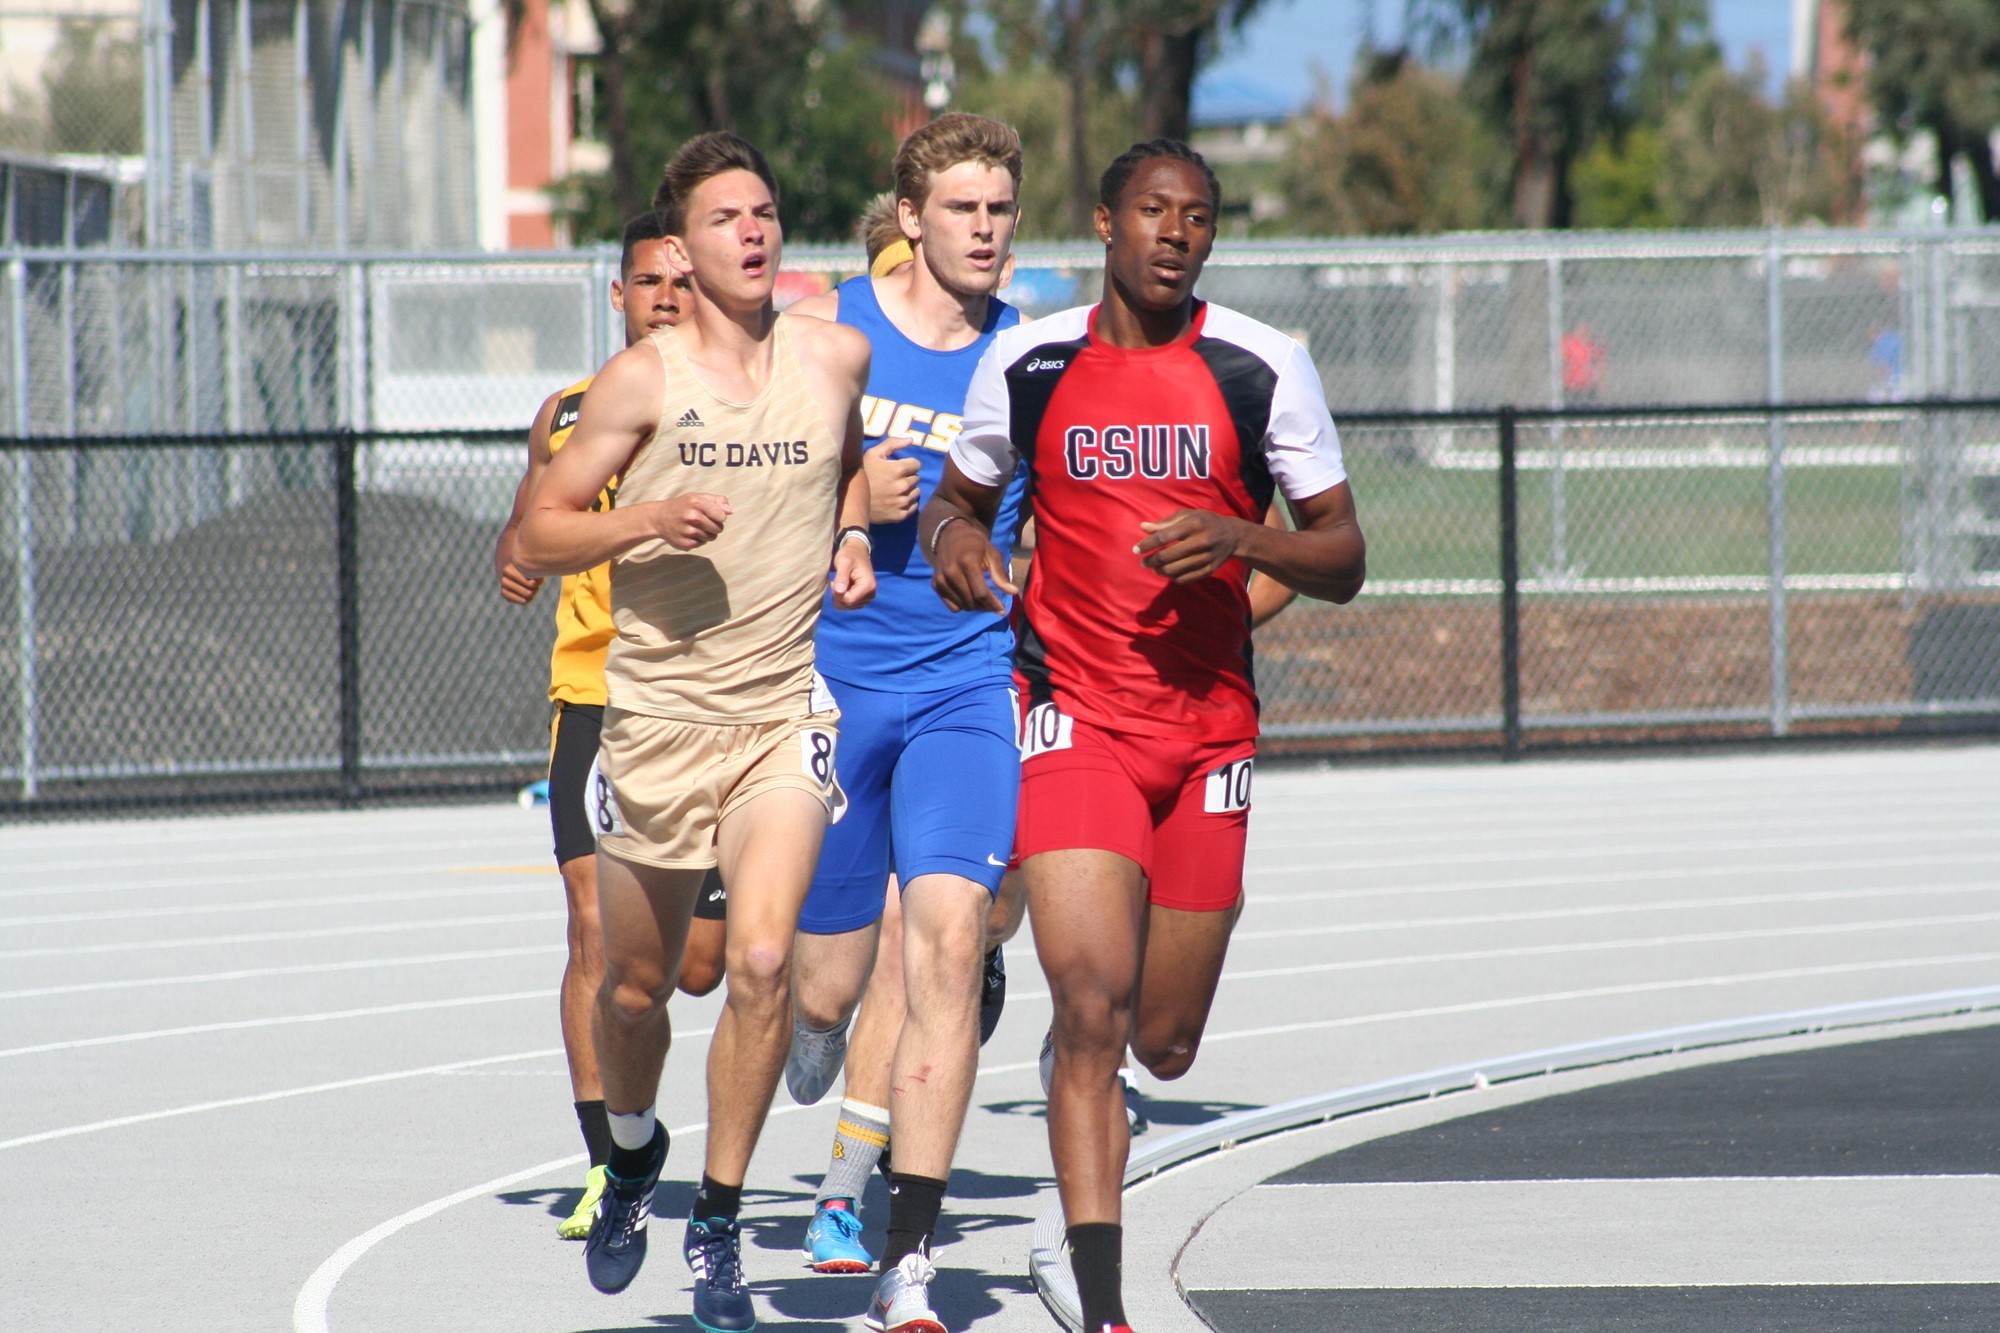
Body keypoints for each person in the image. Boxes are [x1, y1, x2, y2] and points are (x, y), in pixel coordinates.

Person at [920, 138, 1366, 1333]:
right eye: (1155, 211)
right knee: (1089, 1005)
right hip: (1073, 716)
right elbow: (954, 501)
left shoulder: (1260, 366)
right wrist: (957, 547)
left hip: (1207, 731)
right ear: (1106, 222)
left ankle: (1092, 1095)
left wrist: (1241, 539)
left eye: (1200, 217)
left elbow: (1342, 554)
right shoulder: (1029, 358)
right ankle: (1100, 1289)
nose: (1177, 233)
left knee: (1162, 1043)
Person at [515, 130, 875, 1333]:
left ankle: (716, 1217)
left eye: (767, 212)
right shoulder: (639, 383)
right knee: (633, 990)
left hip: (780, 714)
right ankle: (629, 1157)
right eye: (727, 219)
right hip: (658, 721)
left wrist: (856, 535)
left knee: (763, 960)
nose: (755, 233)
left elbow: (850, 470)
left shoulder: (832, 357)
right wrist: (649, 516)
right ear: (680, 245)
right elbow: (540, 529)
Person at [776, 113, 1028, 1333]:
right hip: (837, 681)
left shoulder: (1027, 361)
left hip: (967, 683)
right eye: (964, 209)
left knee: (936, 946)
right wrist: (843, 504)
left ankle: (906, 1260)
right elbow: (745, 474)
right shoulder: (830, 331)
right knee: (822, 990)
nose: (985, 230)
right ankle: (813, 1037)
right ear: (912, 217)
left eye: (1000, 210)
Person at [491, 212, 730, 1244]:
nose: (666, 298)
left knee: (698, 965)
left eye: (682, 282)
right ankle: (608, 1157)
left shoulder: (733, 399)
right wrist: (514, 551)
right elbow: (530, 519)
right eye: (648, 282)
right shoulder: (568, 410)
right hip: (594, 694)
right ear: (619, 294)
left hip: (708, 694)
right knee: (590, 923)